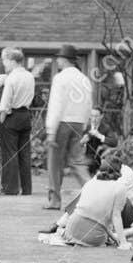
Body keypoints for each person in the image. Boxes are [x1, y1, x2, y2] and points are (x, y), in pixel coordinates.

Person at [44, 44, 93, 210]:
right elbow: (88, 104)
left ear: (64, 60)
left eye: (59, 58)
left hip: (62, 123)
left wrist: (51, 130)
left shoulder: (60, 78)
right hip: (78, 123)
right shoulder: (84, 79)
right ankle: (94, 192)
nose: (57, 60)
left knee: (55, 163)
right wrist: (85, 123)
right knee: (77, 161)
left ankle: (54, 200)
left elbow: (56, 105)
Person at [54, 157, 133, 247]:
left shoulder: (90, 183)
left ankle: (59, 225)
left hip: (70, 232)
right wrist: (123, 243)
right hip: (95, 237)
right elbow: (115, 216)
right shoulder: (119, 187)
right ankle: (118, 235)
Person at [0, 47, 36, 196]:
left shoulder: (11, 78)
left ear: (12, 61)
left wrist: (1, 121)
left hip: (12, 117)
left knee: (10, 153)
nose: (4, 63)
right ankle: (27, 189)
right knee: (25, 154)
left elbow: (5, 104)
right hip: (26, 116)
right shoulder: (30, 76)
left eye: (4, 60)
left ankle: (10, 188)